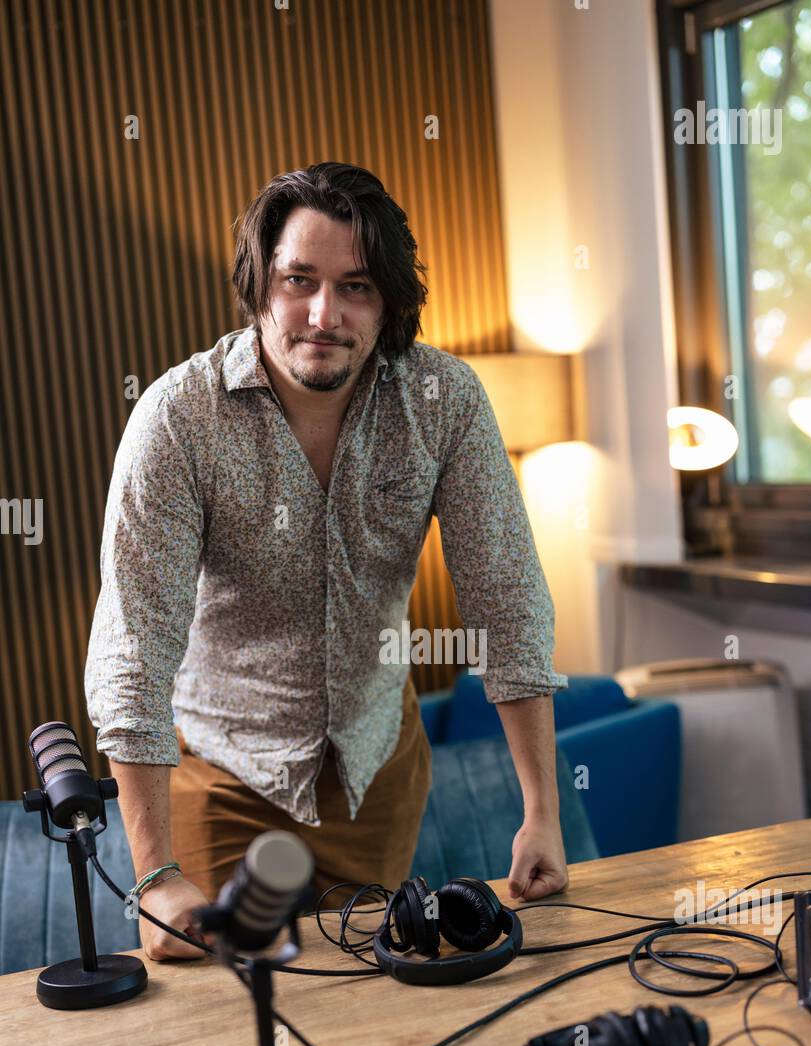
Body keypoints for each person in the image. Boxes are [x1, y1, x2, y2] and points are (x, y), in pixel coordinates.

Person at [85, 162, 569, 963]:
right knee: (228, 1014)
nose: (323, 313)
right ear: (259, 285)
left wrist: (541, 810)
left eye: (355, 286)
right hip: (222, 777)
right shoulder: (177, 418)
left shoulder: (445, 402)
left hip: (376, 769)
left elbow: (506, 600)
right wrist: (155, 875)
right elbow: (134, 645)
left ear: (388, 301)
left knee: (371, 1000)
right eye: (297, 280)